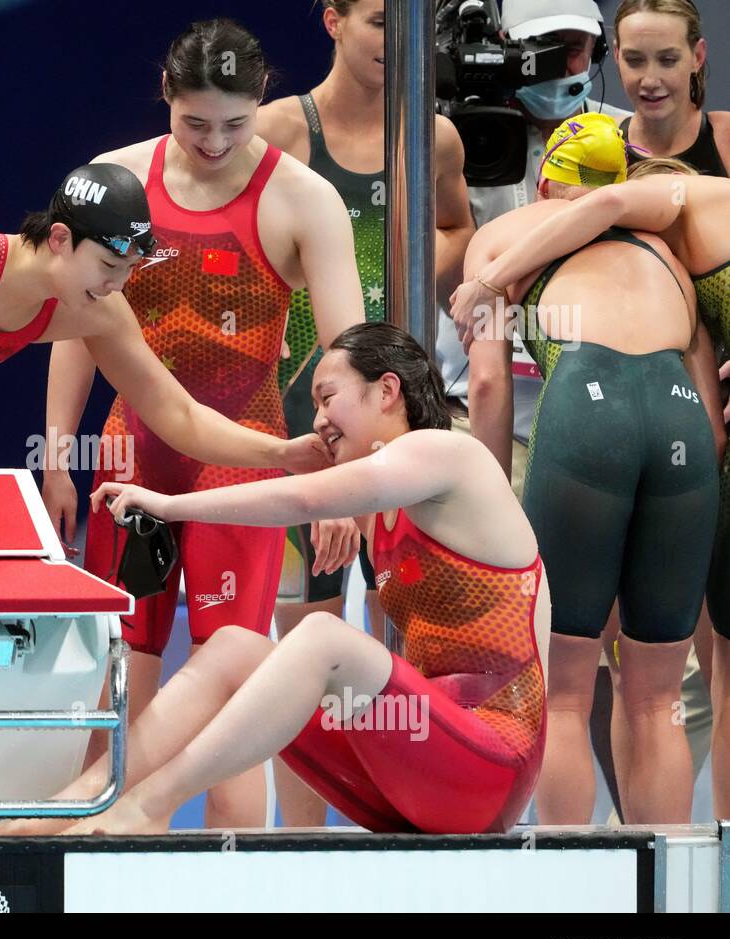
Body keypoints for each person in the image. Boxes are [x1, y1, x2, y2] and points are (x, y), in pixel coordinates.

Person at [0, 323, 550, 837]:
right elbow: (311, 486)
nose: (319, 421)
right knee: (235, 648)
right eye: (315, 406)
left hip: (491, 768)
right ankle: (70, 807)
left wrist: (168, 503)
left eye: (328, 397)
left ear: (387, 390)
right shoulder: (383, 509)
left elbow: (303, 499)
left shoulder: (449, 453)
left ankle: (148, 805)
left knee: (322, 637)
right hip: (421, 764)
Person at [39, 18, 366, 830]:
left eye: (234, 124)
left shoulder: (304, 199)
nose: (214, 143)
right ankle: (100, 855)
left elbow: (348, 358)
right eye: (195, 124)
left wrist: (345, 488)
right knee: (123, 671)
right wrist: (57, 457)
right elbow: (75, 322)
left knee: (230, 689)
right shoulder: (116, 180)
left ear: (262, 101)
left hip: (239, 461)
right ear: (165, 94)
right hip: (131, 455)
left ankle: (230, 881)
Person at [451, 114, 722, 824]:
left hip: (587, 411)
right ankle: (664, 879)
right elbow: (711, 417)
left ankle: (568, 878)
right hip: (681, 423)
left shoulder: (502, 238)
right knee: (657, 697)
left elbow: (488, 386)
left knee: (564, 690)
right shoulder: (664, 249)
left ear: (544, 183)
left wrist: (490, 515)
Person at [0, 162, 334, 496]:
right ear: (60, 239)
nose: (117, 285)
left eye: (130, 270)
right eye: (108, 265)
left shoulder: (94, 310)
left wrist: (280, 454)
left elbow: (179, 415)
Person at [255, 0, 475, 825]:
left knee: (413, 639)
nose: (397, 40)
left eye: (409, 22)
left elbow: (456, 227)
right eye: (381, 20)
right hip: (302, 415)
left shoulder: (435, 138)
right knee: (304, 644)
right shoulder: (278, 132)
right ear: (334, 20)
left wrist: (396, 272)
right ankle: (300, 850)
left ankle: (408, 830)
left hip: (401, 423)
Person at [435, 0, 629, 499]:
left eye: (574, 49)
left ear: (599, 51)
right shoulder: (451, 137)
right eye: (544, 50)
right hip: (469, 410)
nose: (559, 66)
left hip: (597, 416)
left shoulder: (627, 139)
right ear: (506, 48)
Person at [614, 0, 730, 176]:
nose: (650, 81)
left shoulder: (725, 136)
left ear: (697, 56)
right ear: (617, 55)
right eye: (634, 60)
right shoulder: (594, 141)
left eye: (668, 60)